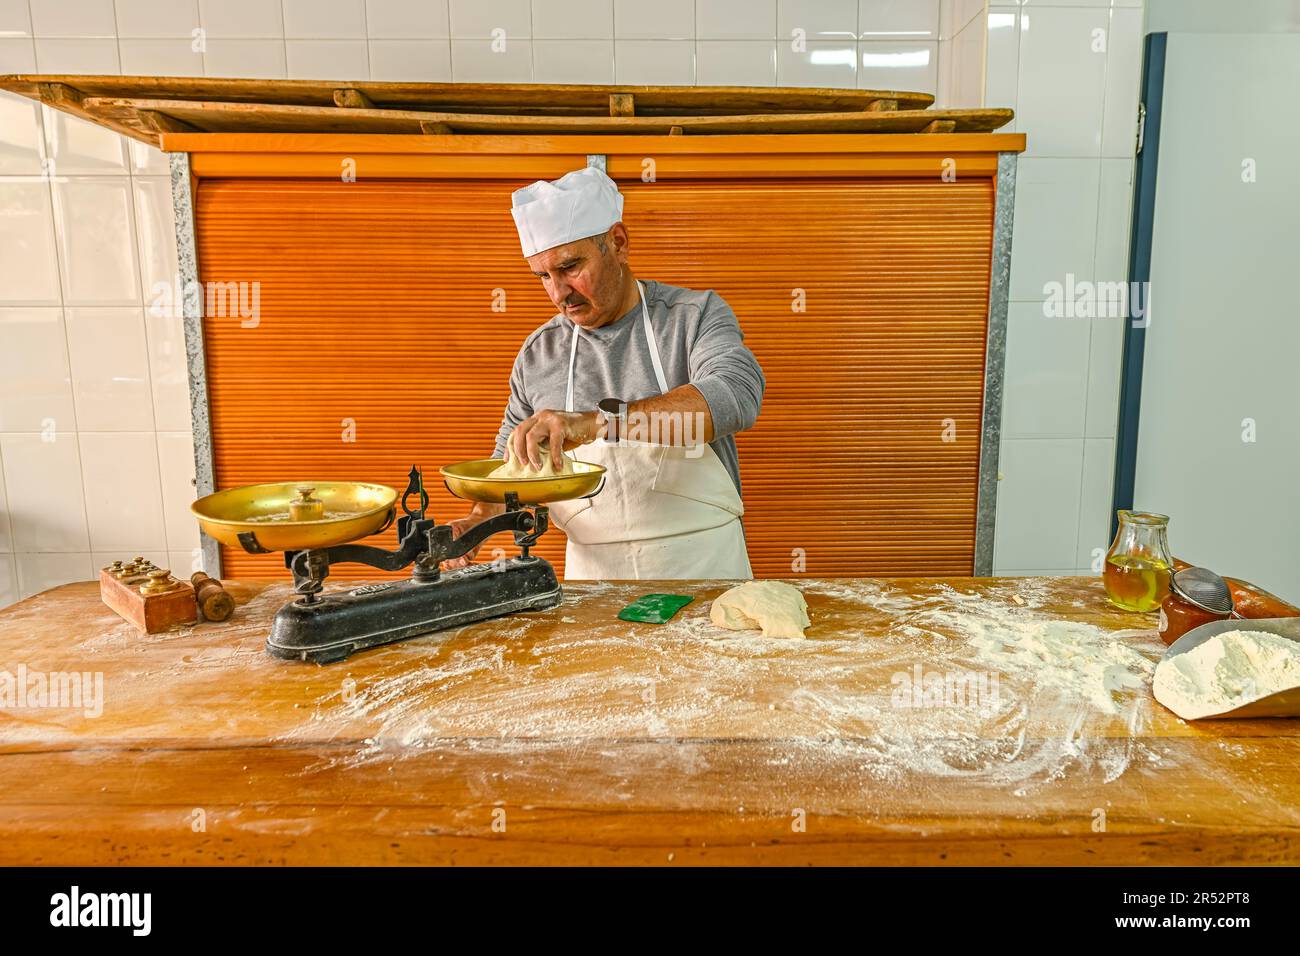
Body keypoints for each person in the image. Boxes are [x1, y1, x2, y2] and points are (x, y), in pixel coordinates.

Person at [445, 166, 764, 579]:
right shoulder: (540, 354)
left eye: (570, 267)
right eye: (544, 276)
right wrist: (476, 523)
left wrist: (597, 423)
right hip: (593, 579)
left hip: (704, 567)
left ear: (618, 243)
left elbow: (734, 398)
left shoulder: (693, 318)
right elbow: (512, 464)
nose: (559, 293)